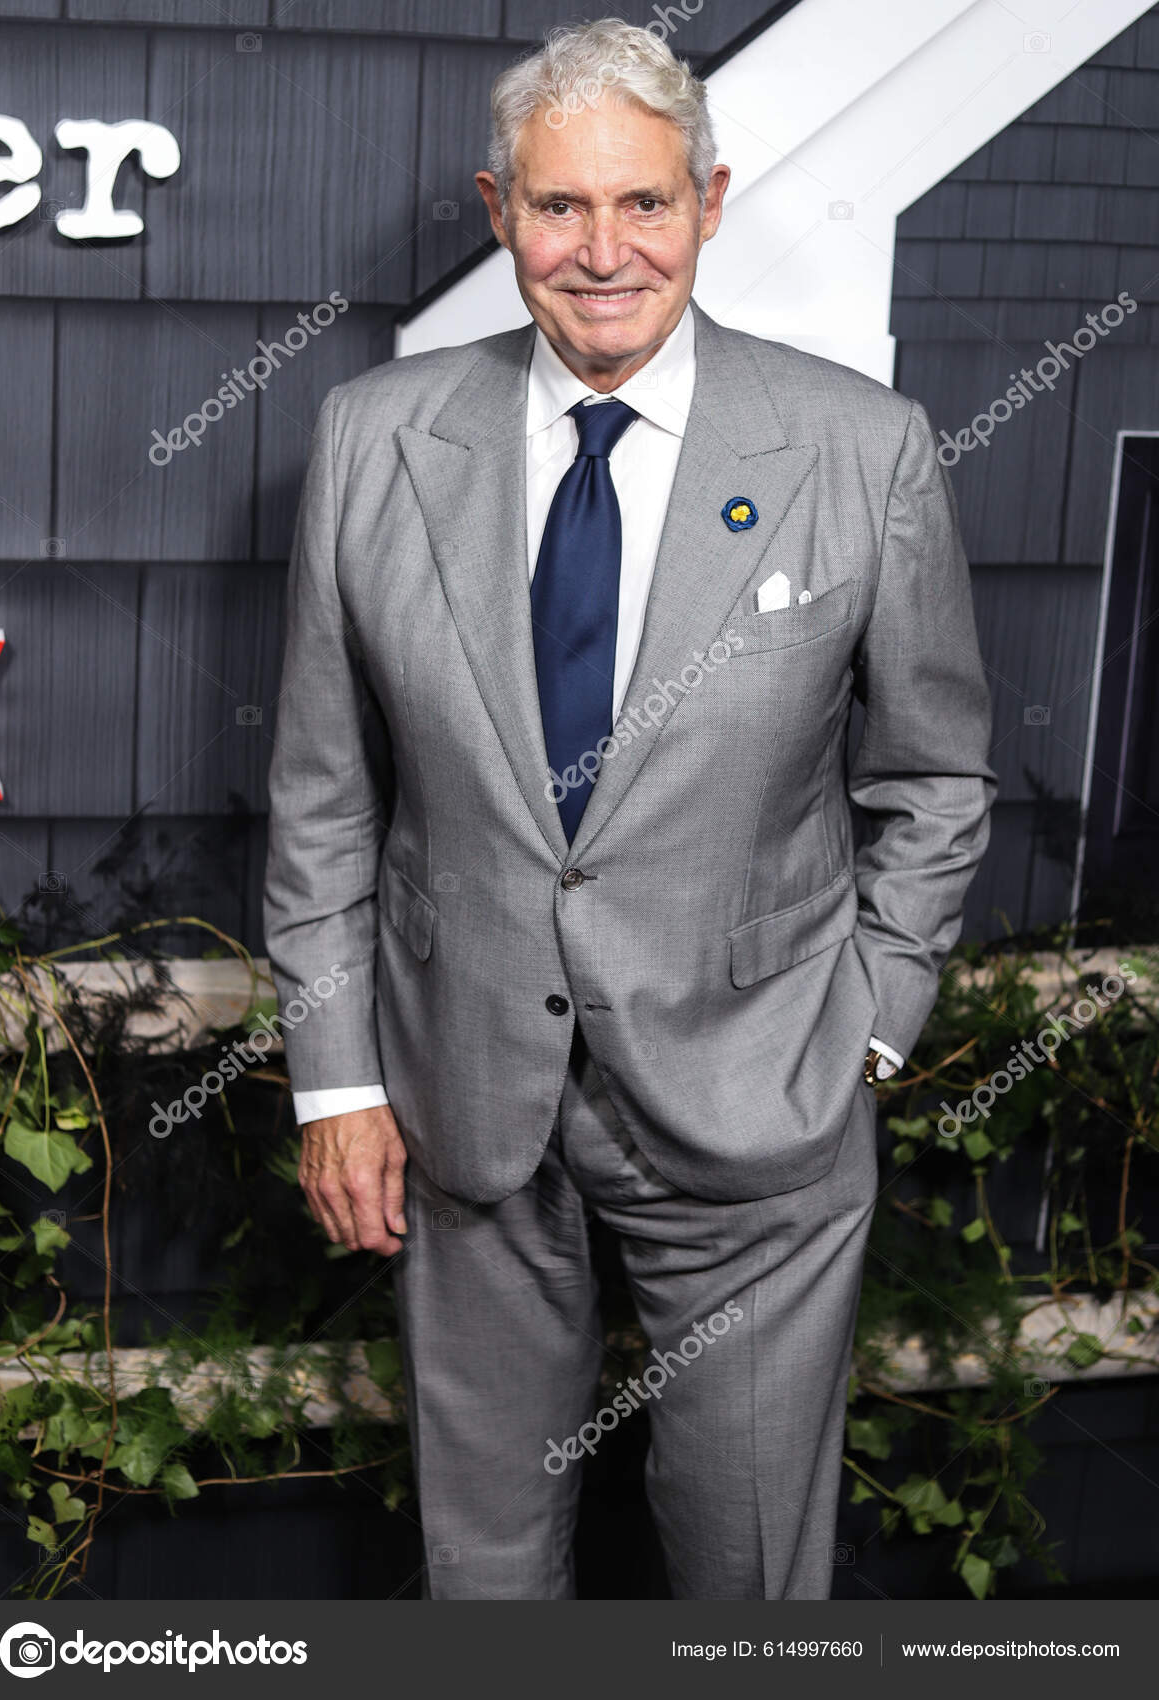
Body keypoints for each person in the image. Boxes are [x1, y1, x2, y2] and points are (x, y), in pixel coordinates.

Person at [263, 18, 995, 1600]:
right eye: (559, 207)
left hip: (761, 1101)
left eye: (645, 205)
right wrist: (334, 1084)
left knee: (746, 1566)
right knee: (487, 1560)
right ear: (497, 208)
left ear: (711, 203)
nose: (603, 252)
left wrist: (871, 1023)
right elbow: (324, 793)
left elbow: (934, 778)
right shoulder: (376, 438)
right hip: (460, 1097)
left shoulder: (862, 453)